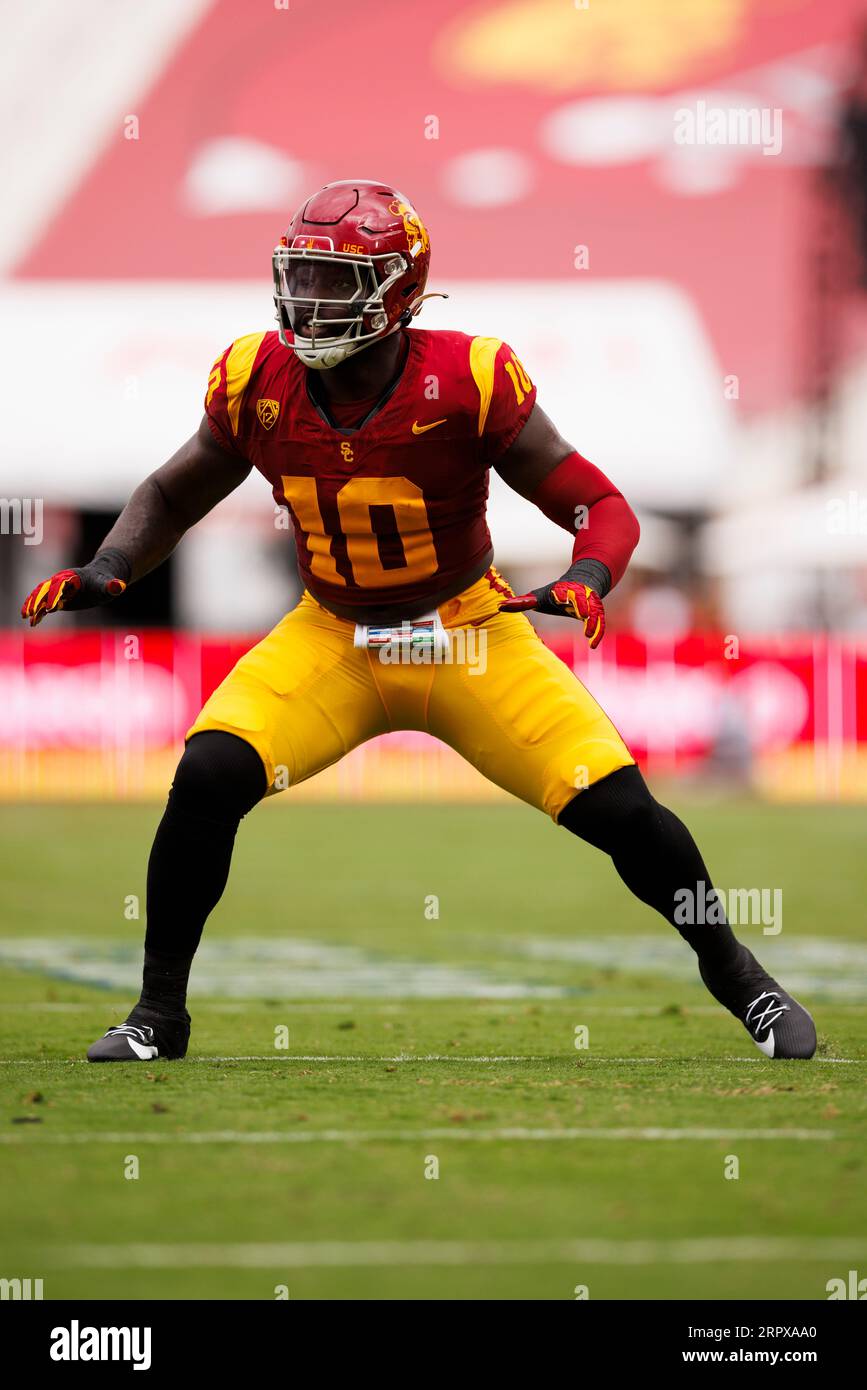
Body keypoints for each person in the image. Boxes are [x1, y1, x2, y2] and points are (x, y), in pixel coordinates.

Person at [21, 180, 816, 1063]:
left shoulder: (467, 377)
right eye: (302, 278)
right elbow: (175, 488)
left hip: (467, 631)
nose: (308, 302)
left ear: (398, 291)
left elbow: (597, 501)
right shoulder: (256, 377)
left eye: (333, 282)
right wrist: (110, 567)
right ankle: (157, 1015)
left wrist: (588, 575)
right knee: (208, 772)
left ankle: (742, 980)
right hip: (332, 636)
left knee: (622, 810)